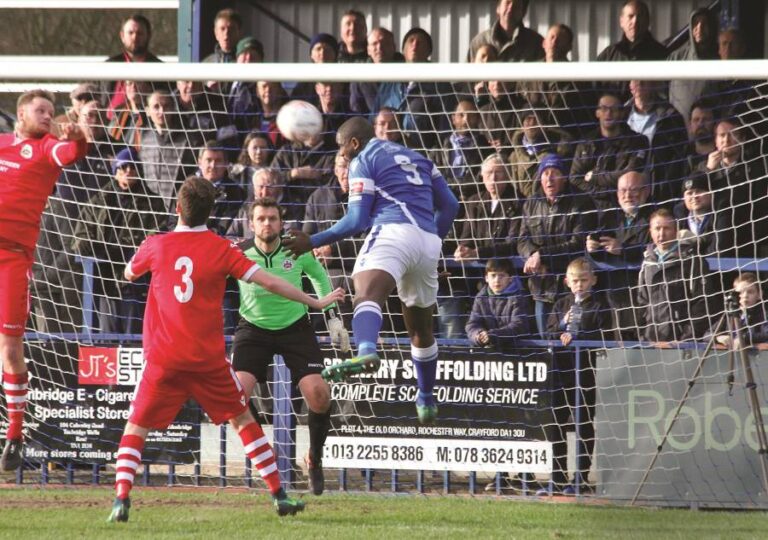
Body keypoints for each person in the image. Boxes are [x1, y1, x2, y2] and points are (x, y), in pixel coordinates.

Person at [107, 176, 344, 522]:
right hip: (206, 360)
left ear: (177, 208)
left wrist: (147, 252)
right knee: (242, 417)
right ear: (211, 211)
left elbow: (129, 273)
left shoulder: (156, 246)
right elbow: (271, 281)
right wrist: (313, 301)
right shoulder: (223, 249)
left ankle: (121, 499)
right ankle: (279, 495)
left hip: (163, 357)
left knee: (136, 427)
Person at [283, 117, 460, 424]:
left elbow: (357, 222)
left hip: (393, 231)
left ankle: (366, 349)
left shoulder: (363, 159)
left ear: (354, 143)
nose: (340, 154)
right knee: (420, 327)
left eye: (341, 147)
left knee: (365, 289)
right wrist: (433, 242)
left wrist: (312, 240)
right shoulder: (420, 159)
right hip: (429, 239)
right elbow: (451, 206)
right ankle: (426, 398)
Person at [232, 197, 350, 496]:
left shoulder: (295, 248)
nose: (267, 223)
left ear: (281, 222)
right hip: (253, 329)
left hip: (295, 327)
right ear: (251, 223)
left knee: (319, 394)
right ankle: (265, 452)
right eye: (261, 218)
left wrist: (333, 319)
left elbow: (320, 278)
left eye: (273, 218)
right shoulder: (239, 252)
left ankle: (314, 458)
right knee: (235, 399)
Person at [0, 89, 87, 471]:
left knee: (11, 350)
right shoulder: (2, 144)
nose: (48, 116)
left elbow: (73, 153)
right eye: (41, 110)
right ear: (21, 113)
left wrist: (78, 133)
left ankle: (15, 435)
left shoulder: (49, 147)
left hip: (13, 259)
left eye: (52, 111)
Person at [71, 147, 166, 334]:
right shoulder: (97, 201)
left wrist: (128, 247)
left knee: (134, 339)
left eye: (133, 167)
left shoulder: (153, 203)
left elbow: (158, 235)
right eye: (123, 167)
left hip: (138, 282)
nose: (128, 171)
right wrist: (99, 248)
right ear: (115, 171)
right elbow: (79, 239)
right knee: (107, 339)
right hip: (105, 281)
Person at [543, 257, 609, 495]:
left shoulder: (600, 305)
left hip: (587, 371)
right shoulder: (561, 303)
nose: (579, 285)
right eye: (575, 281)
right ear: (567, 282)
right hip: (561, 370)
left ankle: (581, 476)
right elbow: (548, 331)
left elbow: (605, 334)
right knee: (557, 422)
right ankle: (558, 475)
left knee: (583, 423)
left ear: (593, 280)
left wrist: (580, 337)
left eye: (583, 280)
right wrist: (563, 324)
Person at [518, 154, 597, 337]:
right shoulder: (531, 203)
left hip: (570, 288)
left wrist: (542, 255)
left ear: (565, 176)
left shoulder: (581, 201)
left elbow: (577, 243)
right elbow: (522, 240)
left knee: (571, 342)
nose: (549, 178)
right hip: (541, 288)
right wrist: (532, 257)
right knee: (547, 343)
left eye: (555, 173)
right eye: (545, 173)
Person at [636, 209, 713, 342]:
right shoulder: (647, 263)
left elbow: (703, 303)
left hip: (681, 342)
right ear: (650, 231)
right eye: (657, 229)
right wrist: (643, 333)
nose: (661, 234)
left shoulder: (692, 261)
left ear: (676, 231)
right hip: (651, 340)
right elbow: (642, 302)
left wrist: (687, 336)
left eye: (667, 228)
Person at [103, 15, 164, 120]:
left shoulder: (161, 69)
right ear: (122, 36)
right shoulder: (108, 66)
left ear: (148, 36)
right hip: (109, 127)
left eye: (140, 33)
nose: (135, 37)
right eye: (130, 33)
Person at [667, 7, 719, 125]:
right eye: (696, 23)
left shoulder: (719, 58)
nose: (699, 28)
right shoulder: (676, 58)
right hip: (677, 129)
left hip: (710, 130)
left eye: (704, 24)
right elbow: (661, 89)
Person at [466, 258, 531, 347]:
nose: (497, 280)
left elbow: (519, 326)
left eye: (502, 275)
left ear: (510, 278)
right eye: (493, 275)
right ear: (486, 278)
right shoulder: (480, 297)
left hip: (516, 349)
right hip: (488, 350)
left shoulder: (519, 298)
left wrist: (494, 335)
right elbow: (472, 323)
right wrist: (478, 335)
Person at [467, 0, 544, 62]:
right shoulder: (479, 42)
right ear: (498, 8)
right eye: (507, 2)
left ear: (523, 12)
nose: (510, 8)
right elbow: (465, 79)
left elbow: (543, 79)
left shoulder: (536, 44)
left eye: (516, 5)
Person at [596, 1, 667, 62]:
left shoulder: (661, 54)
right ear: (621, 21)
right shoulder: (609, 55)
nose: (635, 21)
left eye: (640, 16)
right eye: (630, 16)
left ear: (648, 21)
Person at [716, 273, 768, 349]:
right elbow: (707, 334)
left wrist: (743, 338)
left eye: (750, 292)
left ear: (759, 294)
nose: (745, 295)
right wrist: (718, 337)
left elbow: (766, 334)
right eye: (740, 292)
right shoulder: (729, 314)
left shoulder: (764, 314)